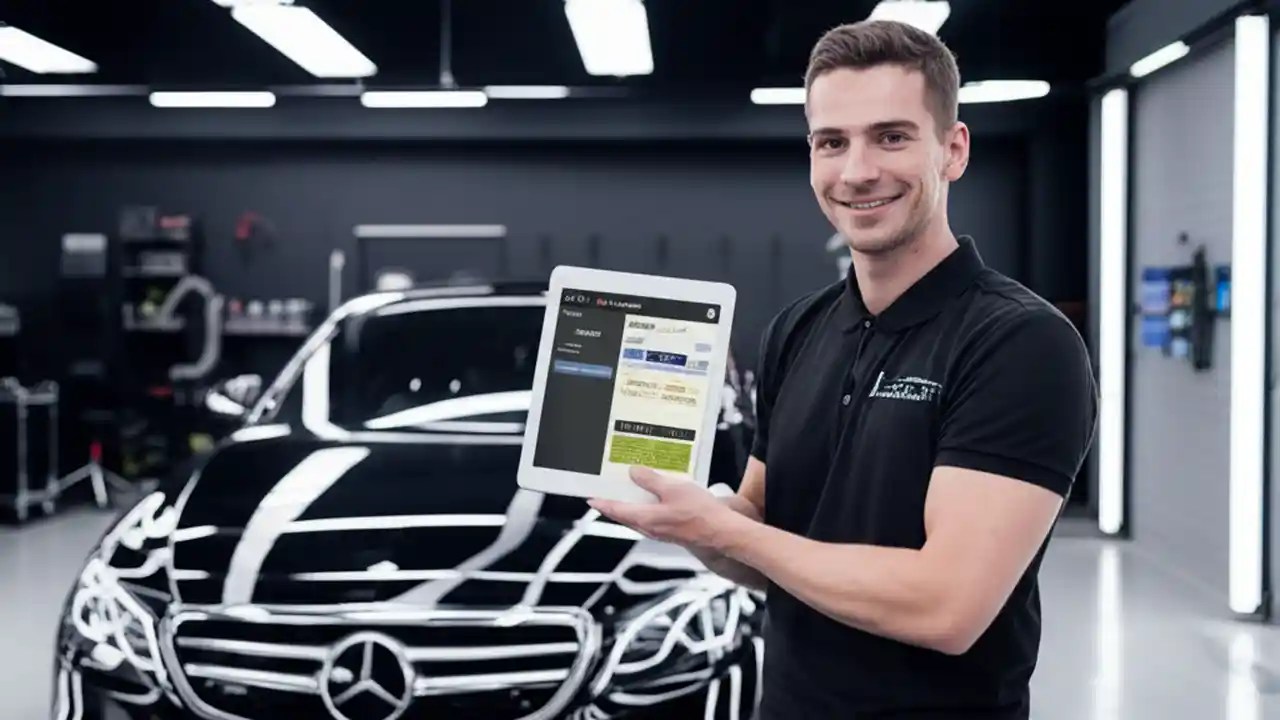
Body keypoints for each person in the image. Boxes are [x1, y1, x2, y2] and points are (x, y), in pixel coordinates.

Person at [588, 18, 1099, 720]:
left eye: (891, 136)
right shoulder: (797, 330)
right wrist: (691, 518)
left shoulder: (1021, 344)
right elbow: (762, 540)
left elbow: (946, 606)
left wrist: (726, 529)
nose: (857, 171)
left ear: (953, 150)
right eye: (832, 142)